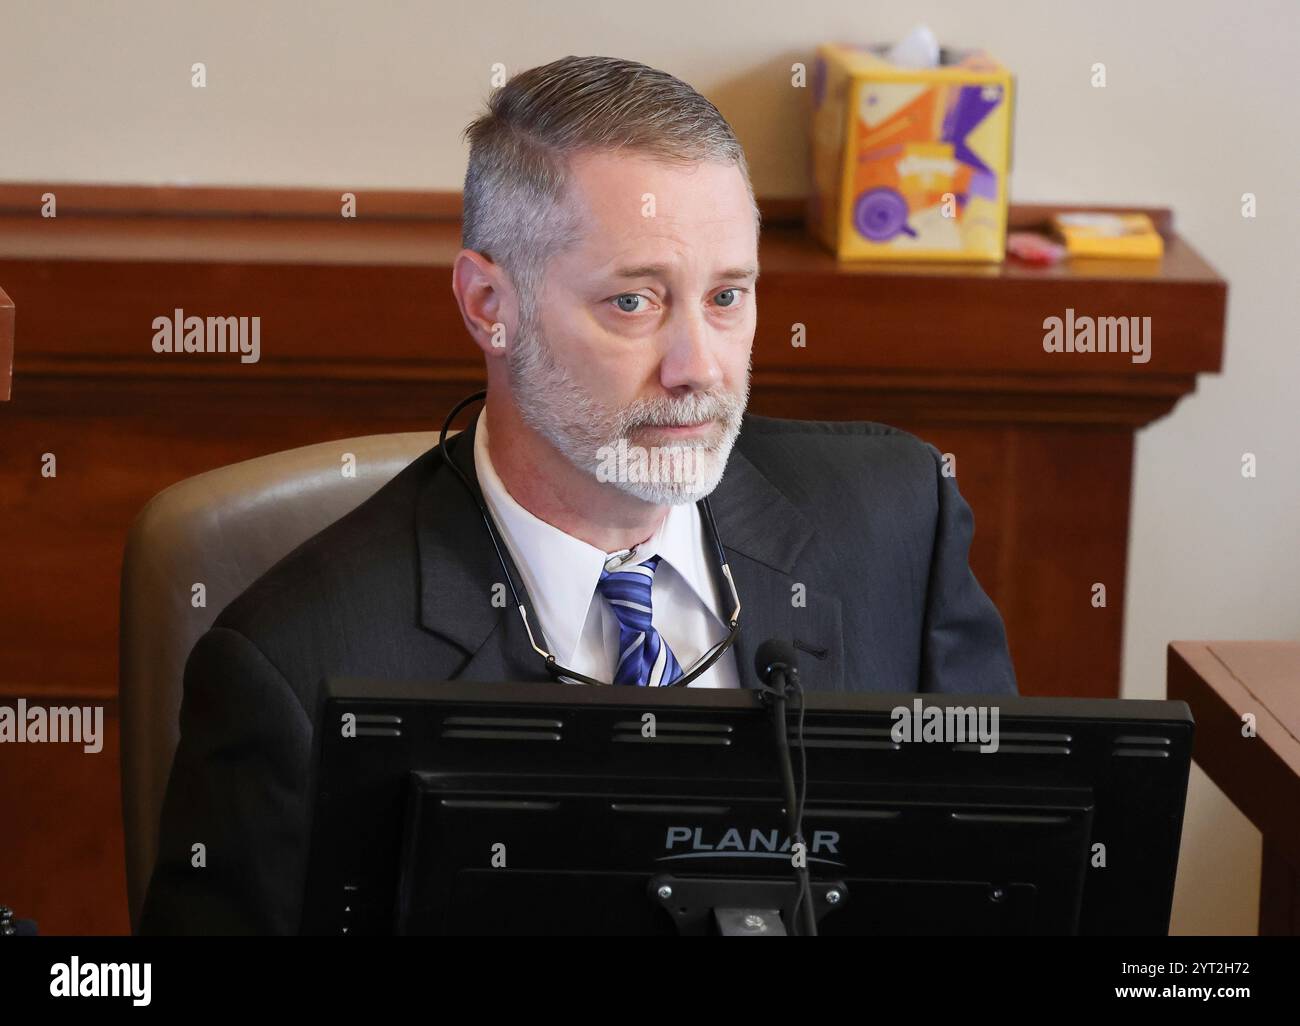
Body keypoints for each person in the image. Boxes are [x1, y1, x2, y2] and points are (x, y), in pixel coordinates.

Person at [138, 55, 1016, 935]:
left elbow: (1010, 884)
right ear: (489, 302)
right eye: (633, 302)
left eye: (727, 297)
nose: (698, 369)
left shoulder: (900, 525)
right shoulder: (296, 668)